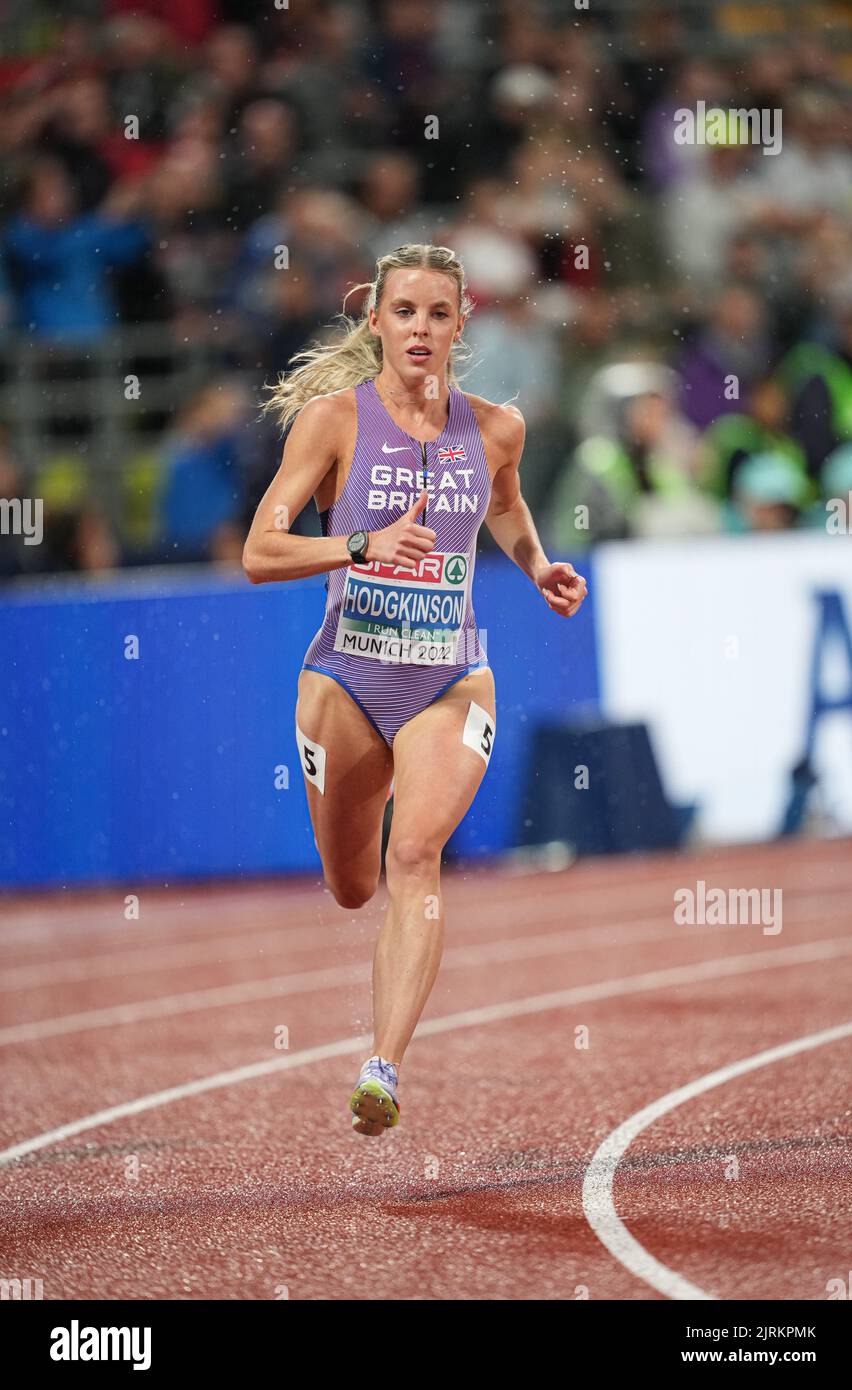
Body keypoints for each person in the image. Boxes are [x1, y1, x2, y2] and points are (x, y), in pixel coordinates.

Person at [243, 243, 587, 1135]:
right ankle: (364, 812)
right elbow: (259, 551)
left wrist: (538, 563)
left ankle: (383, 1066)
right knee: (353, 884)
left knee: (415, 858)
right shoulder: (332, 422)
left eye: (439, 314)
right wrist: (359, 546)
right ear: (377, 321)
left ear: (461, 324)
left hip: (449, 678)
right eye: (405, 313)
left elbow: (503, 500)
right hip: (345, 681)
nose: (421, 330)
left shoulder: (496, 426)